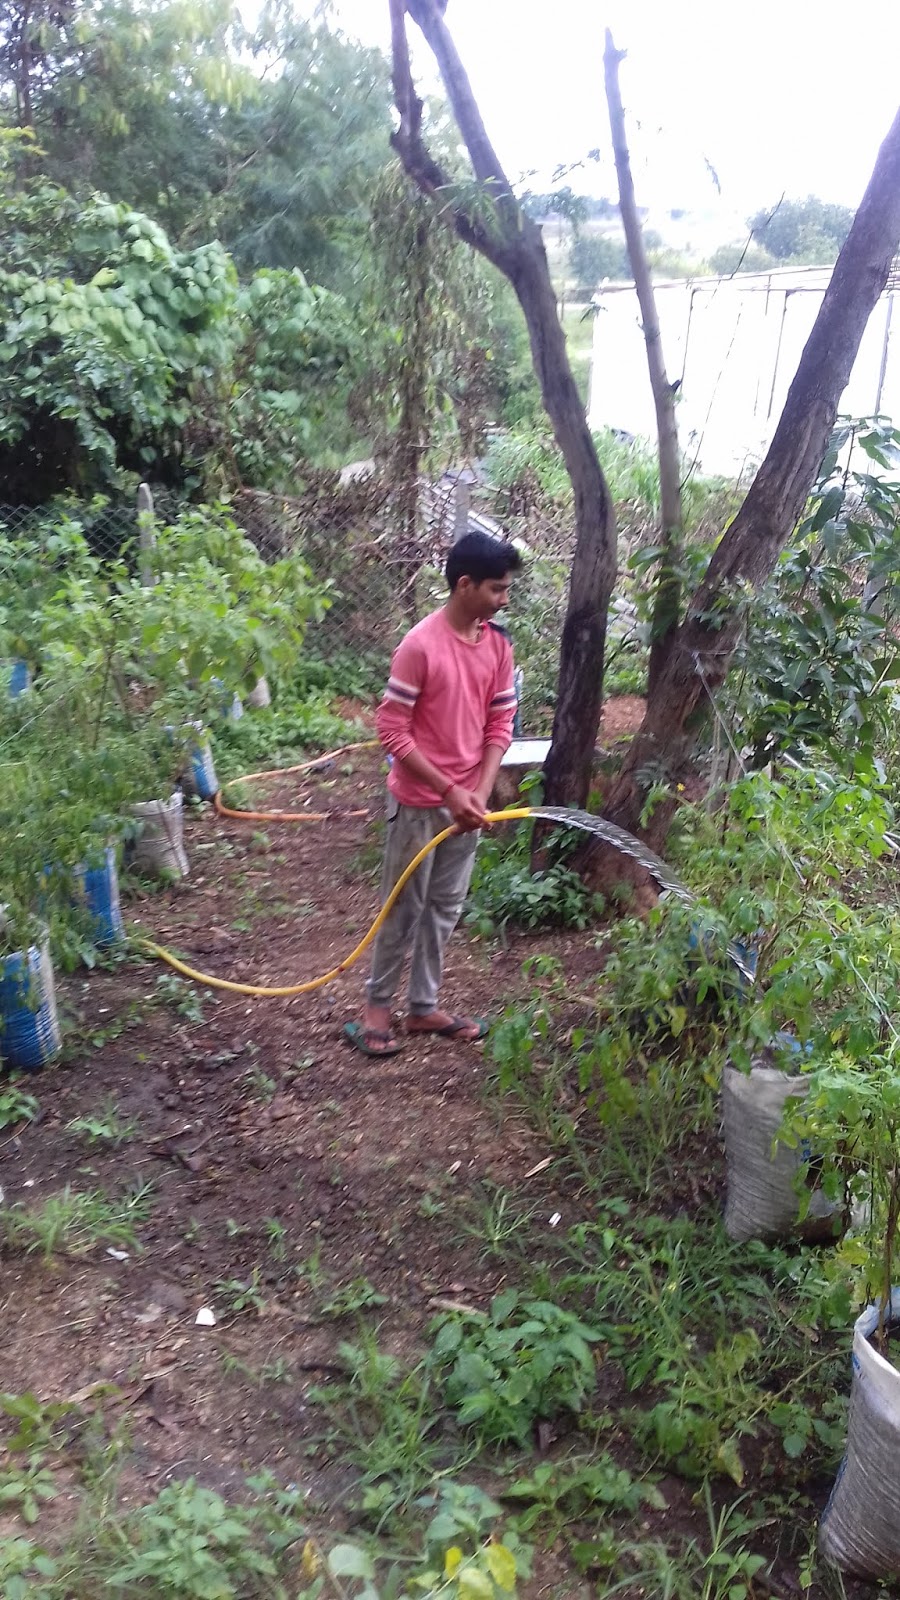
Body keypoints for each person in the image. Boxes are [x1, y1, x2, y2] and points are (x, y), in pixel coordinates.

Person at [343, 530, 523, 1057]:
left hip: (466, 805)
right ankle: (377, 1008)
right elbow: (392, 731)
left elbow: (501, 722)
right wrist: (448, 791)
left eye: (506, 589)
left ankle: (423, 1007)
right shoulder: (420, 645)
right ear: (464, 585)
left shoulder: (498, 645)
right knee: (403, 905)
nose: (503, 599)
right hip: (419, 803)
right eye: (496, 589)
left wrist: (478, 793)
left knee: (445, 906)